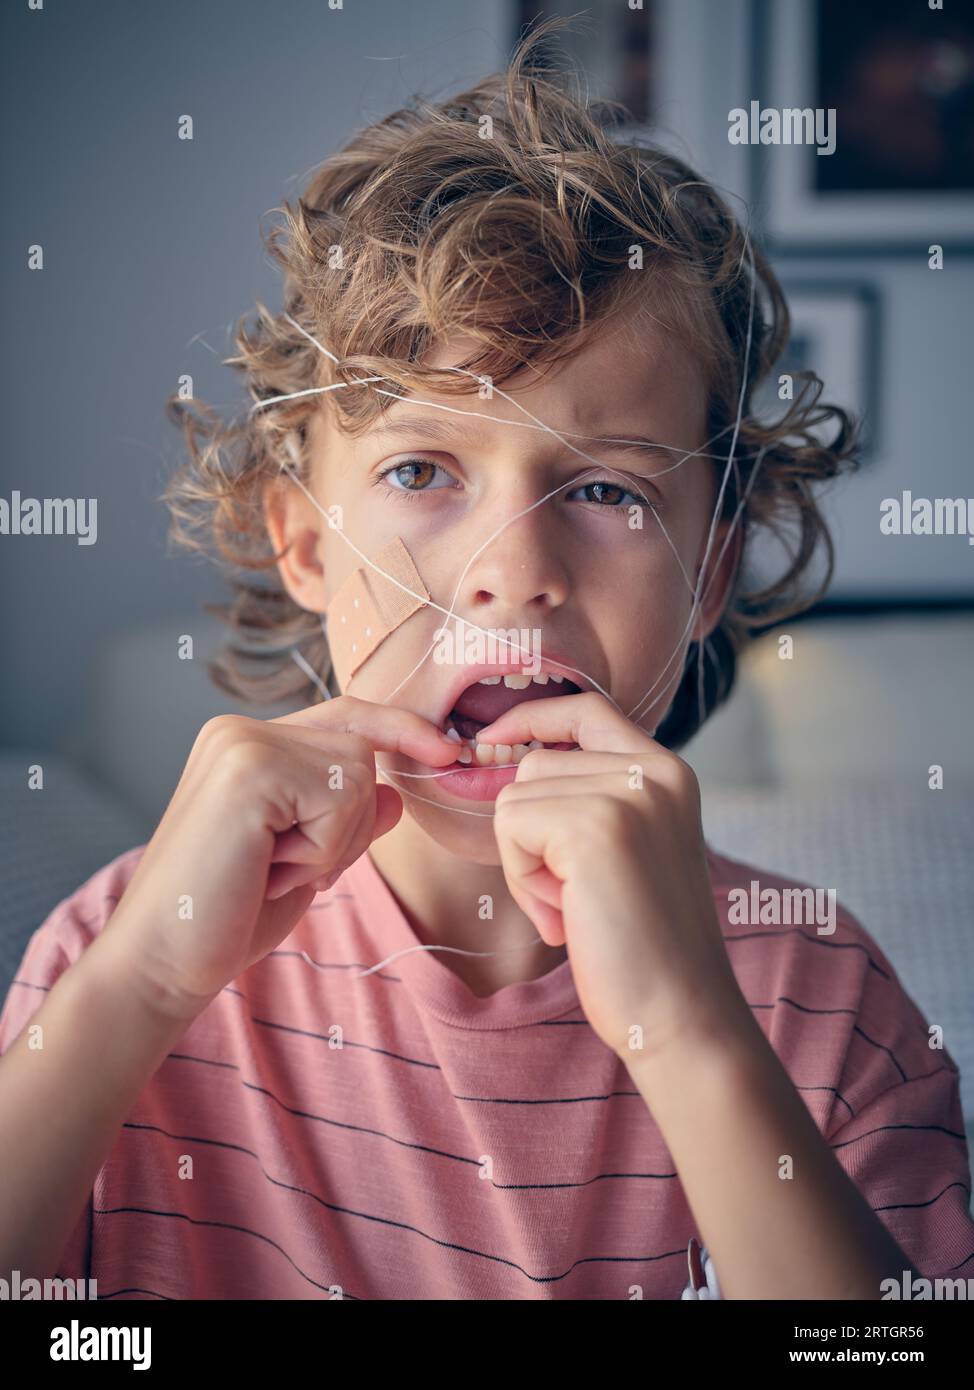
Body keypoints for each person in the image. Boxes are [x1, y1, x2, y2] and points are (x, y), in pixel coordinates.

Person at [2, 18, 972, 1300]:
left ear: (710, 576)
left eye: (608, 490)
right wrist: (143, 985)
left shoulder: (822, 997)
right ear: (300, 544)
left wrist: (686, 1034)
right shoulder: (122, 950)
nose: (511, 571)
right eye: (419, 470)